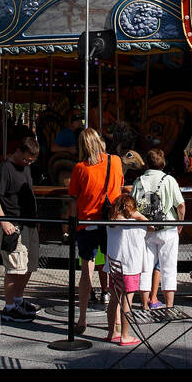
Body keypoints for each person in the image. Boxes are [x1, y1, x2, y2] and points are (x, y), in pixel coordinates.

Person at [66, 127, 122, 335]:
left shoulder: (80, 168)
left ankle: (82, 318)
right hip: (111, 223)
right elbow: (120, 185)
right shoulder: (115, 161)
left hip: (86, 222)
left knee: (86, 271)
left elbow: (73, 196)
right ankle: (115, 321)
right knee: (114, 269)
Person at [0, 136, 41, 322]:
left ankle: (18, 300)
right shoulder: (5, 168)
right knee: (14, 268)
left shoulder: (25, 167)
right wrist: (4, 221)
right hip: (13, 224)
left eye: (31, 160)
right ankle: (9, 307)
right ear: (19, 151)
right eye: (27, 159)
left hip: (29, 223)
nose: (28, 162)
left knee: (28, 266)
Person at [132, 147, 185, 310]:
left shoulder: (139, 181)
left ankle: (144, 304)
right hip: (168, 228)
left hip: (146, 229)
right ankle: (169, 305)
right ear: (163, 163)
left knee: (145, 268)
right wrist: (180, 224)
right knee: (168, 267)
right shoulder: (169, 180)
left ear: (147, 163)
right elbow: (181, 205)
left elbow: (132, 208)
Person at [104, 193, 147, 347]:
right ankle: (125, 335)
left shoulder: (111, 223)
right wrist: (138, 214)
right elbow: (150, 224)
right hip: (130, 267)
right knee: (127, 301)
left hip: (115, 265)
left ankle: (111, 332)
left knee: (114, 299)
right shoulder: (135, 225)